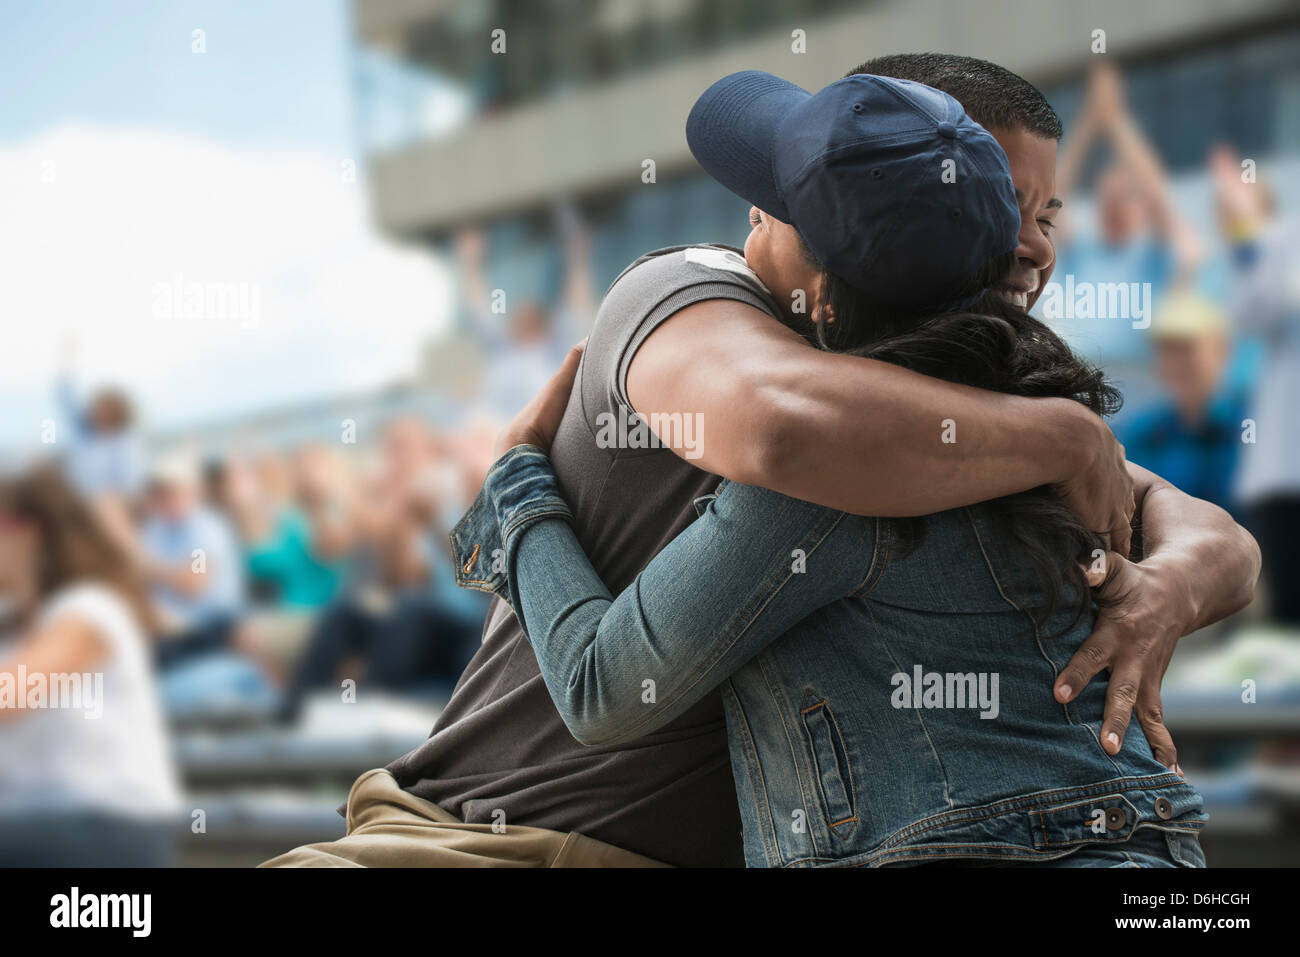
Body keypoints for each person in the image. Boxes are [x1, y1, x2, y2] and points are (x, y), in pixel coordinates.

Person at [263, 55, 1258, 869]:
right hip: (480, 823)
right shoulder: (703, 298)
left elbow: (617, 673)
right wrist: (1070, 437)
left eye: (775, 195)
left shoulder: (901, 447)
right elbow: (781, 415)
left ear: (832, 276)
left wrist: (514, 484)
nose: (744, 212)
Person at [0, 468, 182, 866]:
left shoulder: (89, 608)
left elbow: (12, 695)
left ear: (28, 532)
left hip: (107, 822)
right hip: (32, 819)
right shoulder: (11, 626)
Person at [1047, 61, 1205, 406]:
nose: (1114, 206)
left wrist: (1117, 121)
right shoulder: (1081, 254)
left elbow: (1158, 195)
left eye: (1123, 198)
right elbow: (1053, 198)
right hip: (1081, 384)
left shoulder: (1152, 256)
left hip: (1143, 386)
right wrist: (1089, 121)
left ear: (1138, 205)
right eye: (1107, 199)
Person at [1211, 144, 1300, 624]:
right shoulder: (1260, 255)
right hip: (1284, 477)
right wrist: (1245, 231)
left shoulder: (1283, 243)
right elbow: (1255, 309)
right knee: (1289, 626)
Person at [1120, 292, 1248, 515]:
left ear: (1222, 351)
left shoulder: (1252, 429)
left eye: (1187, 349)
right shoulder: (1141, 434)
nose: (1177, 364)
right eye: (1168, 351)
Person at [138, 453, 246, 670]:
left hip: (212, 626)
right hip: (170, 628)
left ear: (192, 491)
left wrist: (150, 568)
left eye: (172, 491)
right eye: (159, 492)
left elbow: (194, 582)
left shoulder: (206, 528)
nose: (165, 498)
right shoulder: (156, 529)